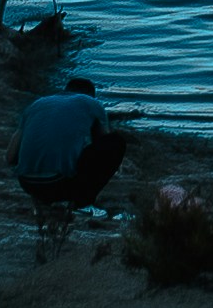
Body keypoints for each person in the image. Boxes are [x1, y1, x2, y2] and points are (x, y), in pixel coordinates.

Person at [13, 65, 129, 234]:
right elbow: (104, 140)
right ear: (91, 95)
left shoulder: (36, 105)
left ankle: (43, 202)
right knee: (115, 143)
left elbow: (10, 157)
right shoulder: (92, 103)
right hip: (58, 183)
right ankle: (83, 204)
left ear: (65, 91)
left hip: (27, 184)